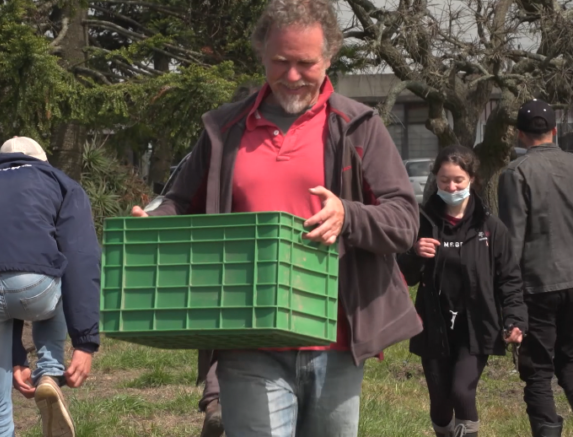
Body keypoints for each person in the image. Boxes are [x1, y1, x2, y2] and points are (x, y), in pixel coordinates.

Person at [130, 0, 423, 435]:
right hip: (247, 338)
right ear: (261, 56)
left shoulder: (358, 126)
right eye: (280, 62)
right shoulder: (224, 129)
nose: (292, 76)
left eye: (305, 63)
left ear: (329, 58)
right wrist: (156, 220)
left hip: (336, 341)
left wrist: (349, 215)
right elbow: (178, 199)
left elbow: (403, 220)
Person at [0, 137, 101, 437]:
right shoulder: (61, 184)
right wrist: (85, 342)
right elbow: (81, 258)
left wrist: (14, 357)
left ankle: (39, 379)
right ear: (41, 162)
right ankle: (50, 372)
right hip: (35, 289)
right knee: (58, 271)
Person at [397, 145, 527, 437]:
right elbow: (404, 274)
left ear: (472, 179)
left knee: (461, 392)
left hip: (477, 325)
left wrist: (515, 318)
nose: (452, 186)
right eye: (445, 180)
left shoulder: (491, 227)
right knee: (441, 403)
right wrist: (415, 253)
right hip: (433, 325)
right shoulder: (422, 223)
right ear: (436, 180)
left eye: (458, 180)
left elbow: (510, 279)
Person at [498, 98, 573, 437]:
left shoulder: (517, 173)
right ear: (555, 130)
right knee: (570, 360)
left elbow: (512, 237)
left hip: (538, 283)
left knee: (538, 370)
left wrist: (506, 294)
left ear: (519, 134)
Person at [197, 80, 261, 437]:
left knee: (221, 328)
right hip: (264, 257)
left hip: (221, 252)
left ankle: (216, 401)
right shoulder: (234, 141)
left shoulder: (219, 142)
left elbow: (179, 193)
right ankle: (222, 404)